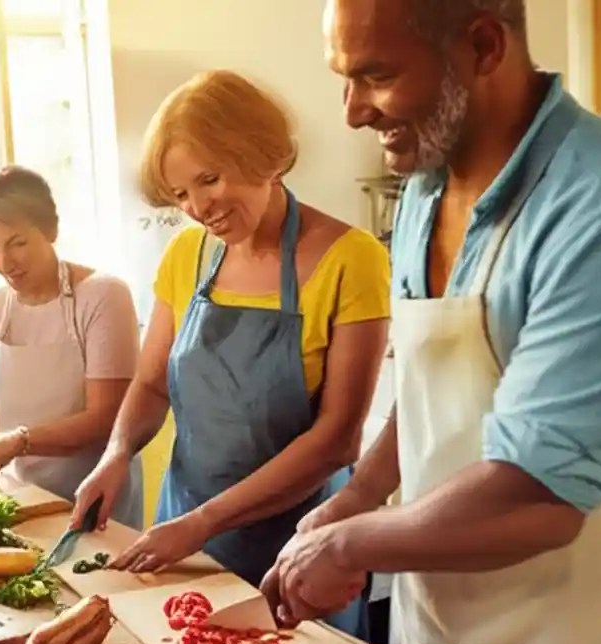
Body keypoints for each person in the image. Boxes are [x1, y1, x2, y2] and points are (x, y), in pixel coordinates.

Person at [263, 1, 601, 644]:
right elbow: (428, 391)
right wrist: (360, 494)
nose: (353, 113)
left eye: (378, 76)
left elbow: (538, 497)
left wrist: (351, 546)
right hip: (431, 640)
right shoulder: (424, 187)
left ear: (483, 46)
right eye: (345, 78)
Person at [69, 70, 390, 606]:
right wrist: (116, 454)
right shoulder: (186, 255)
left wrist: (206, 521)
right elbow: (151, 385)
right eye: (181, 194)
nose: (199, 207)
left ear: (263, 153)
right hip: (181, 538)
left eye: (210, 179)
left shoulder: (351, 259)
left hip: (298, 550)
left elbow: (338, 440)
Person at [0, 166, 143, 526]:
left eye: (17, 243)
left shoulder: (102, 295)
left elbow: (106, 418)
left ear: (50, 230)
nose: (5, 263)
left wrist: (15, 441)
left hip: (95, 501)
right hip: (21, 500)